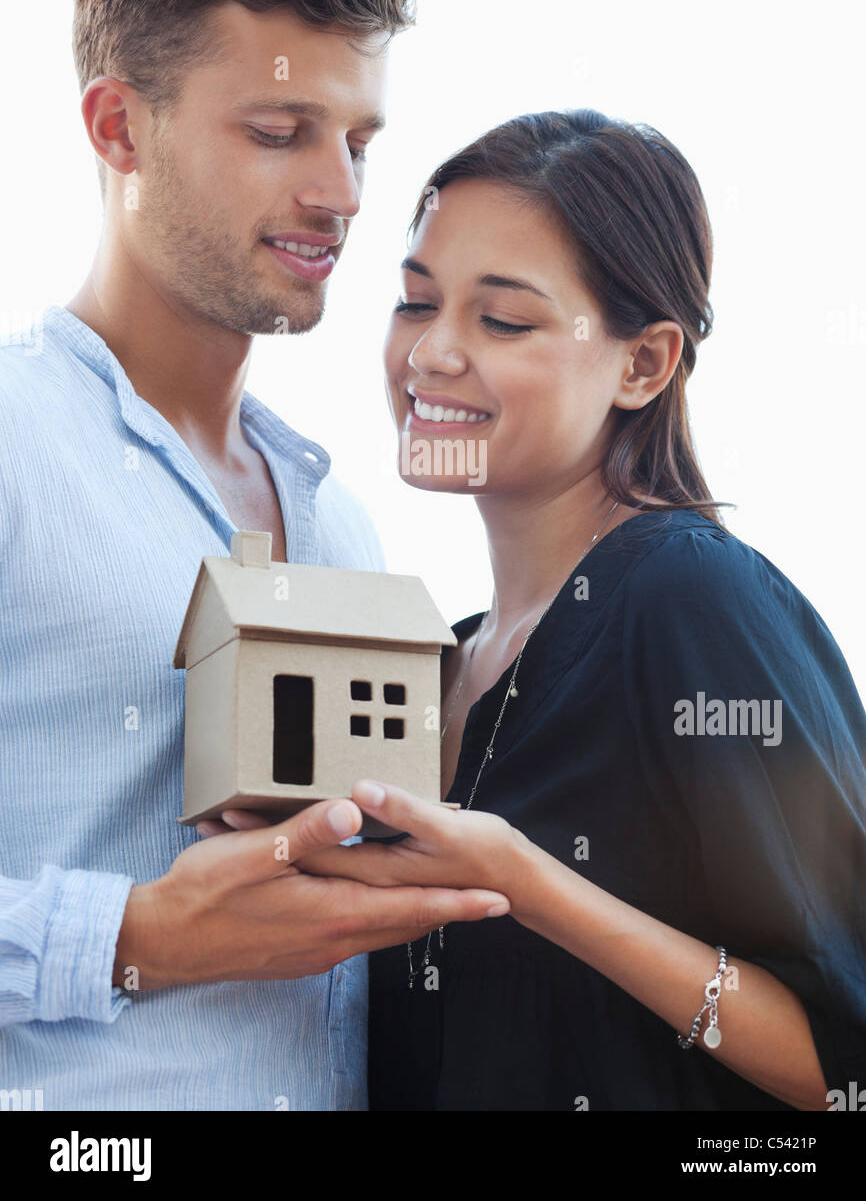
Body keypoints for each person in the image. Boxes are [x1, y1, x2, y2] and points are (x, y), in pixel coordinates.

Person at [0, 0, 509, 1113]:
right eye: (279, 134)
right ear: (119, 128)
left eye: (358, 142)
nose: (338, 194)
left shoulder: (339, 520)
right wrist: (137, 932)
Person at [294, 109, 866, 1111]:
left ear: (642, 363)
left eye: (502, 319)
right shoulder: (440, 659)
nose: (430, 354)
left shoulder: (692, 601)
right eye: (413, 302)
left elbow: (844, 1067)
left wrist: (530, 883)